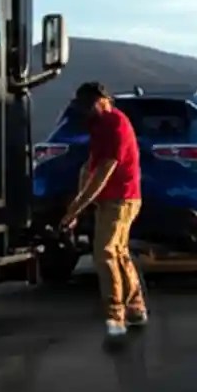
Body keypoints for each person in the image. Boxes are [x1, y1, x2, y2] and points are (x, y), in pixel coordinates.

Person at [59, 81, 148, 338]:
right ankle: (135, 307)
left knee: (105, 253)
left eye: (90, 104)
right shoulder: (98, 125)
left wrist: (75, 209)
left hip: (122, 199)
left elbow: (104, 171)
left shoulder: (115, 124)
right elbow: (88, 167)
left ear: (103, 99)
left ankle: (115, 316)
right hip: (114, 199)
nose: (87, 111)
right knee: (118, 253)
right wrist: (75, 207)